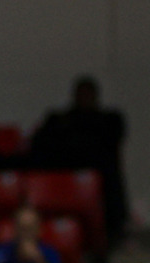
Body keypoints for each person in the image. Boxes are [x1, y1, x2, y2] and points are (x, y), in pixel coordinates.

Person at [30, 76, 128, 248]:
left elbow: (107, 144)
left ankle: (108, 238)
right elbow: (41, 144)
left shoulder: (109, 121)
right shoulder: (59, 121)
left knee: (104, 179)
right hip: (63, 179)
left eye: (88, 94)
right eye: (81, 94)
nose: (85, 98)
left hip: (100, 181)